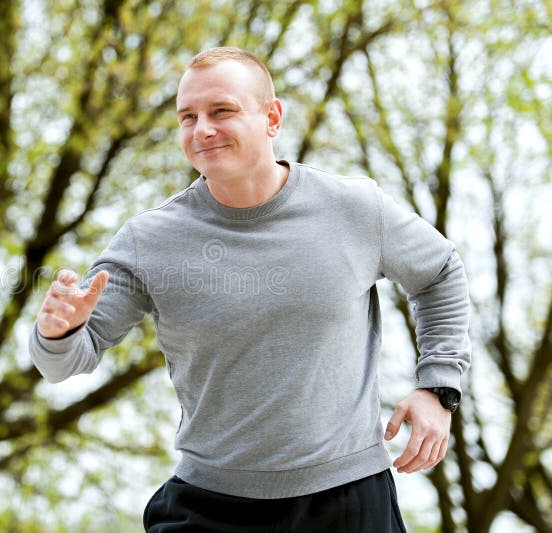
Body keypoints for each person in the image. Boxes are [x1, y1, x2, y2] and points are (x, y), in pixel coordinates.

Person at [29, 47, 470, 532]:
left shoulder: (355, 209)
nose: (202, 130)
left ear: (272, 117)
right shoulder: (147, 241)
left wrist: (439, 386)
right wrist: (57, 333)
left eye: (222, 111)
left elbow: (440, 272)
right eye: (187, 117)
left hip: (348, 502)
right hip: (209, 508)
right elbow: (67, 360)